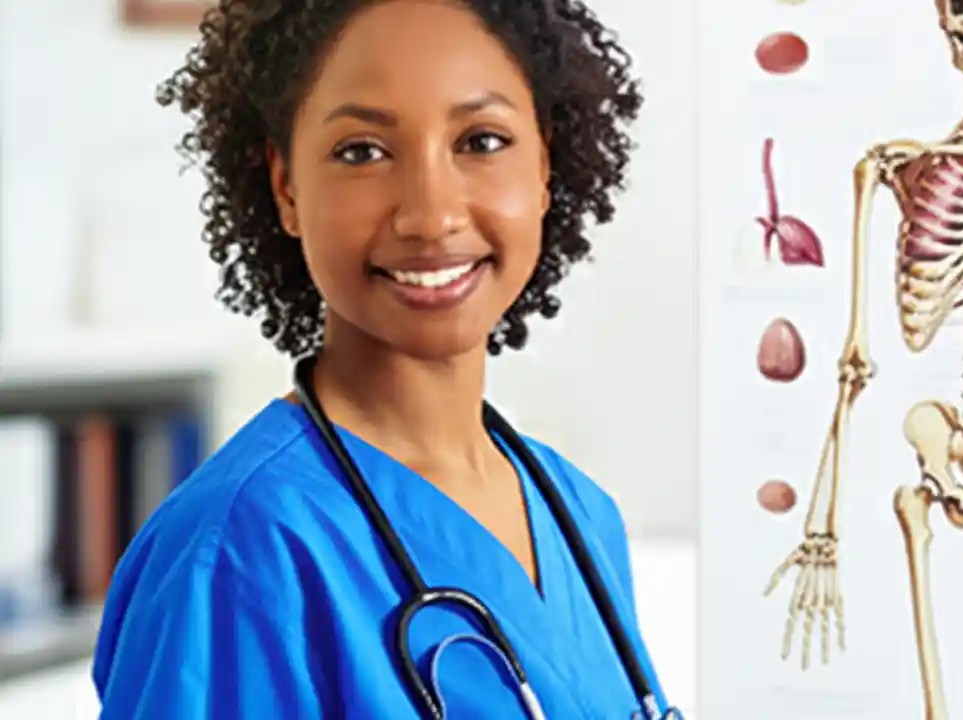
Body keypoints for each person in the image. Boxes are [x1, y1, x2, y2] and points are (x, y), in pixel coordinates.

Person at [90, 0, 670, 717]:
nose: (430, 214)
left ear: (545, 165)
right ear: (286, 189)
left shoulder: (580, 516)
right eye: (362, 151)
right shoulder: (240, 549)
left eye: (482, 141)